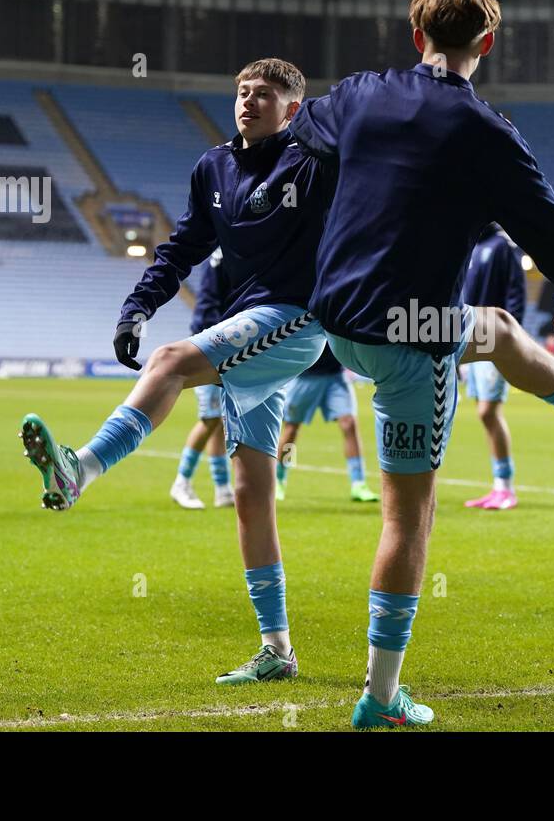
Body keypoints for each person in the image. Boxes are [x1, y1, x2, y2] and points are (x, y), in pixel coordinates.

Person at [288, 0, 554, 728]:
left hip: (339, 320)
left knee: (497, 332)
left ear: (415, 35)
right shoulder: (487, 130)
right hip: (412, 333)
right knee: (408, 518)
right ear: (485, 44)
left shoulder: (358, 94)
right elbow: (546, 220)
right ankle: (382, 699)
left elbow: (304, 130)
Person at [19, 58, 331, 685]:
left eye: (265, 95)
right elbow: (182, 248)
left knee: (170, 361)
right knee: (250, 497)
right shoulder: (211, 168)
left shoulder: (316, 160)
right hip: (251, 327)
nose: (248, 101)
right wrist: (137, 306)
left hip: (300, 317)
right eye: (242, 91)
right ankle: (278, 650)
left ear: (293, 109)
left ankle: (80, 469)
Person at [462, 223, 527, 511]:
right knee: (484, 414)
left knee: (488, 410)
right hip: (469, 335)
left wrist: (511, 337)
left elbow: (516, 292)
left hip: (493, 338)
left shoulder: (504, 245)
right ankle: (499, 485)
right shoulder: (472, 243)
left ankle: (506, 487)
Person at [170, 248, 234, 510]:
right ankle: (181, 482)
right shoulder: (223, 254)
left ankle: (222, 488)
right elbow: (210, 303)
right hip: (215, 343)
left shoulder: (226, 251)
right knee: (209, 419)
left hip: (225, 341)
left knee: (219, 422)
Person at [275, 345, 379, 502]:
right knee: (291, 429)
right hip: (304, 376)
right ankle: (279, 479)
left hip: (336, 376)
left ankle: (359, 484)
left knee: (349, 424)